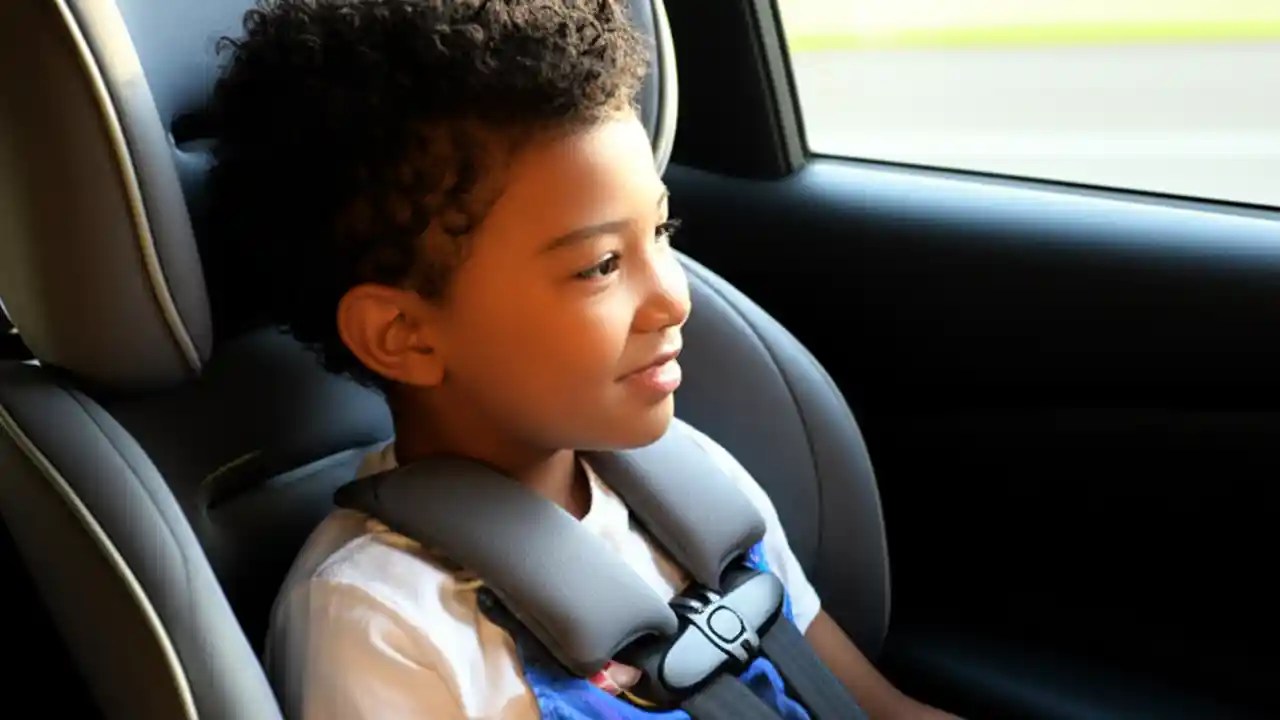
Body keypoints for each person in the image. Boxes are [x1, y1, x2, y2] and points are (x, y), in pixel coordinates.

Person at [204, 1, 957, 718]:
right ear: (405, 334)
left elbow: (876, 708)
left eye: (662, 231)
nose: (672, 299)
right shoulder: (383, 625)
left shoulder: (693, 490)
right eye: (599, 265)